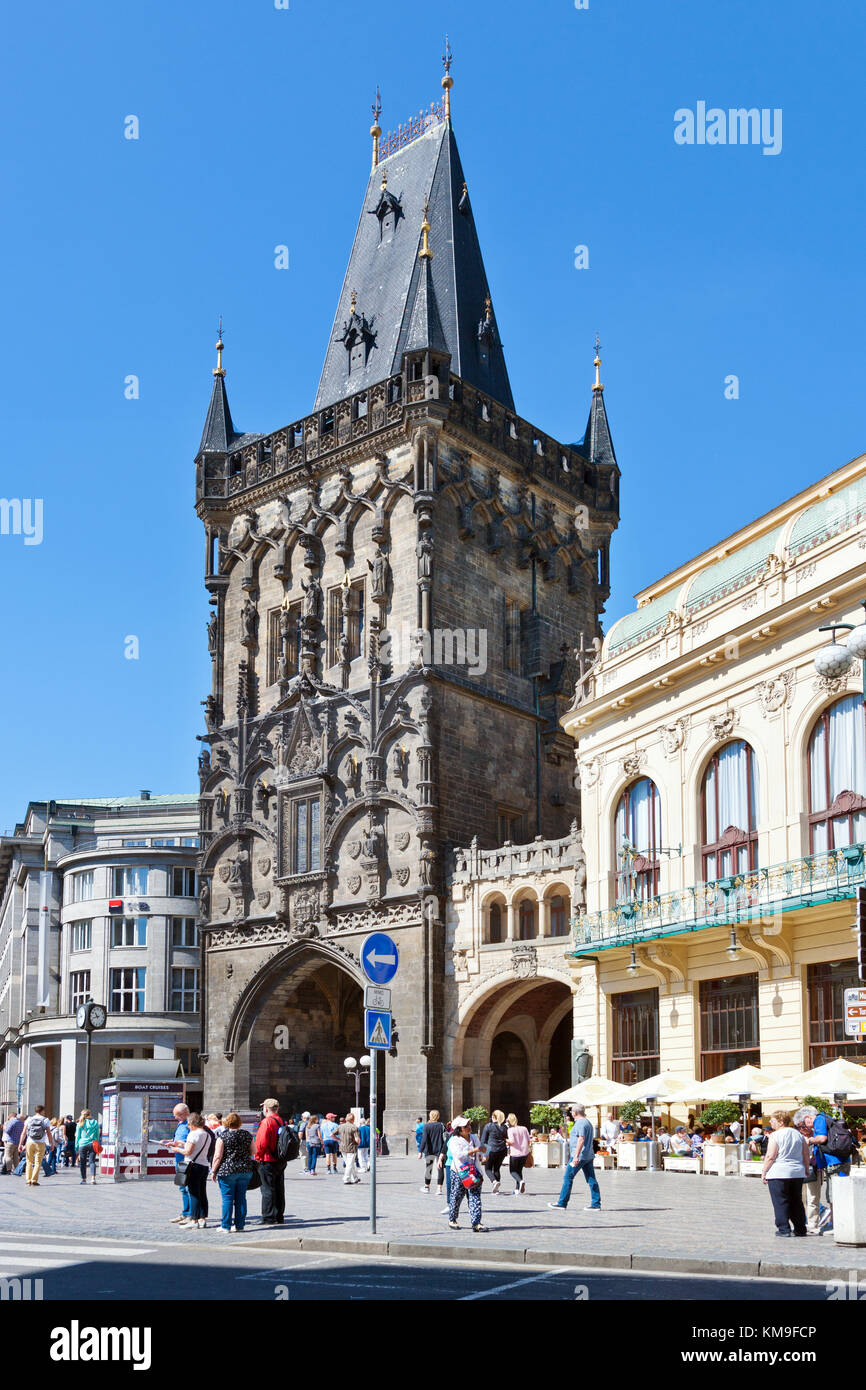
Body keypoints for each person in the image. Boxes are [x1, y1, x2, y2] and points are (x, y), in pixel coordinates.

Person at [761, 1111, 809, 1237]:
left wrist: (764, 1171)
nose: (770, 1123)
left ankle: (784, 1229)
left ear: (781, 1122)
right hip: (797, 1172)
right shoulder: (799, 1134)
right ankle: (800, 1228)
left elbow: (771, 1156)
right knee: (796, 1201)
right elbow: (805, 1154)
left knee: (780, 1201)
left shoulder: (775, 1135)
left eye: (772, 1120)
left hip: (779, 1171)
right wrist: (807, 1168)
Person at [549, 1104, 601, 1212]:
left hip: (580, 1156)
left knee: (568, 1177)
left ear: (575, 1113)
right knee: (591, 1179)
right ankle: (596, 1203)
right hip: (588, 1155)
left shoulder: (581, 1123)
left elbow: (581, 1139)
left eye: (572, 1111)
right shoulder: (587, 1122)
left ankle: (562, 1203)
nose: (571, 1113)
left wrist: (576, 1156)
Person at [210, 1111, 256, 1232]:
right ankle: (240, 1226)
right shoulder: (247, 1135)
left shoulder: (223, 1137)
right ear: (239, 1123)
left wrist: (213, 1171)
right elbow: (253, 1151)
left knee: (227, 1199)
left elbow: (217, 1156)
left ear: (227, 1123)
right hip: (245, 1169)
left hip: (227, 1170)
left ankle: (226, 1226)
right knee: (241, 1198)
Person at [446, 1116, 488, 1233]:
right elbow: (458, 1155)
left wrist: (483, 1154)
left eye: (469, 1125)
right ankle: (452, 1219)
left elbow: (480, 1150)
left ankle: (476, 1223)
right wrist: (475, 1150)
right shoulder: (454, 1140)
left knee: (475, 1197)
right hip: (460, 1172)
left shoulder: (474, 1137)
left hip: (474, 1171)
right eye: (466, 1126)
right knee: (457, 1196)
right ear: (459, 1129)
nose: (469, 1127)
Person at [253, 1097, 286, 1225]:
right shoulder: (280, 1120)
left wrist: (257, 1157)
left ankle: (268, 1216)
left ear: (266, 1108)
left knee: (267, 1189)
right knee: (278, 1188)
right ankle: (279, 1215)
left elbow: (261, 1143)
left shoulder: (266, 1122)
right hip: (279, 1159)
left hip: (267, 1159)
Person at [179, 1113, 212, 1229]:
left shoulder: (193, 1134)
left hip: (193, 1166)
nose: (188, 1126)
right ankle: (202, 1219)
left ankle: (194, 1220)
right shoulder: (206, 1134)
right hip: (204, 1165)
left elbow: (188, 1152)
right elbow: (196, 1146)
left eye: (188, 1124)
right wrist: (181, 1144)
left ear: (192, 1123)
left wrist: (176, 1149)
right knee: (202, 1192)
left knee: (193, 1193)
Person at [165, 1103, 191, 1224]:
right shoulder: (180, 1124)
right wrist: (169, 1141)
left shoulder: (190, 1125)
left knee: (188, 1188)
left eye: (178, 1115)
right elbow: (178, 1140)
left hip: (186, 1160)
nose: (176, 1118)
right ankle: (185, 1212)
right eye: (175, 1115)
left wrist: (175, 1144)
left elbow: (189, 1143)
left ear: (186, 1113)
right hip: (179, 1160)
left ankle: (190, 1214)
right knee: (182, 1187)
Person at [22, 1106, 54, 1186]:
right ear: (42, 1111)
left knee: (29, 1161)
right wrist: (51, 1143)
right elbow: (49, 1133)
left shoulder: (29, 1119)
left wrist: (20, 1144)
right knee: (37, 1162)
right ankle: (34, 1180)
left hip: (29, 1142)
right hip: (40, 1143)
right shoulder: (45, 1120)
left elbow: (24, 1133)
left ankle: (28, 1180)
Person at [418, 1109, 447, 1195]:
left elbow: (424, 1139)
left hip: (429, 1150)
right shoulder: (442, 1125)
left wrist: (420, 1151)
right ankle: (439, 1189)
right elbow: (445, 1138)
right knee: (440, 1169)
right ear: (438, 1116)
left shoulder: (427, 1126)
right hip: (440, 1150)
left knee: (429, 1169)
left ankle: (427, 1187)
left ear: (430, 1116)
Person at [479, 1110, 508, 1192]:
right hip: (502, 1150)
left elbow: (483, 1141)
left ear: (493, 1117)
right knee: (496, 1169)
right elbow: (506, 1138)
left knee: (487, 1168)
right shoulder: (504, 1127)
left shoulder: (488, 1126)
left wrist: (483, 1154)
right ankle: (497, 1189)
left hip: (491, 1150)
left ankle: (494, 1181)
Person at [505, 1112, 531, 1194]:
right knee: (519, 1171)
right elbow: (528, 1140)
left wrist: (505, 1140)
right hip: (524, 1153)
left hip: (515, 1153)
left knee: (512, 1171)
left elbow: (512, 1141)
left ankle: (520, 1181)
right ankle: (517, 1189)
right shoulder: (524, 1128)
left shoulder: (510, 1130)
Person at [339, 1112, 362, 1184]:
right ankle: (346, 1178)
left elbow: (331, 1134)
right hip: (351, 1148)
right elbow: (357, 1139)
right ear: (353, 1119)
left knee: (349, 1163)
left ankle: (355, 1178)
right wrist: (358, 1143)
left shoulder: (340, 1126)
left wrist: (338, 1140)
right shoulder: (354, 1127)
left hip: (342, 1147)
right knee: (349, 1164)